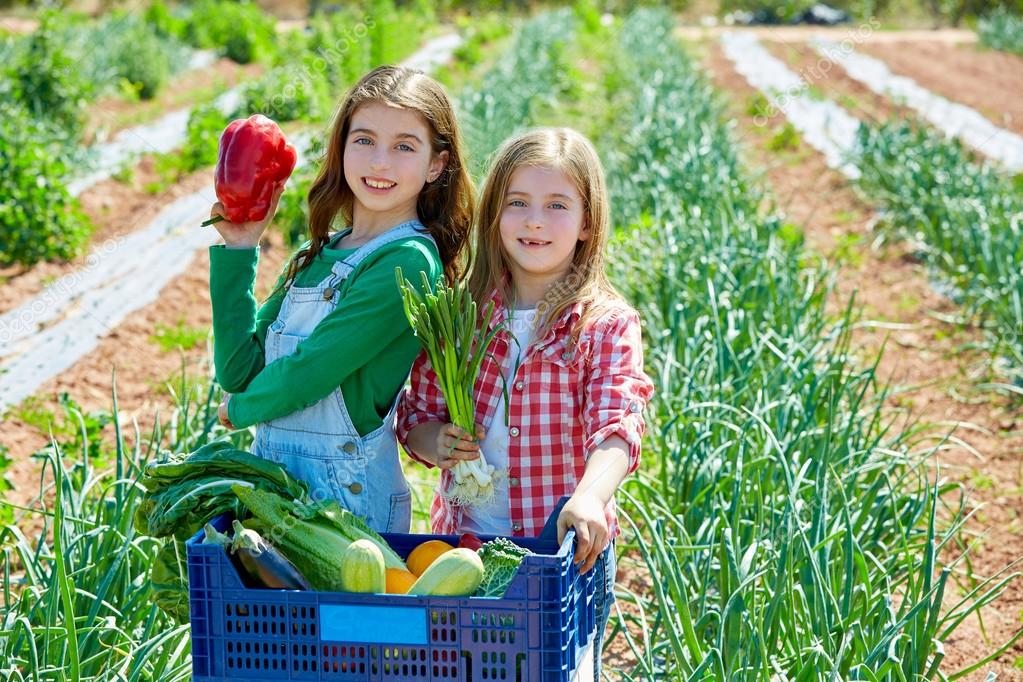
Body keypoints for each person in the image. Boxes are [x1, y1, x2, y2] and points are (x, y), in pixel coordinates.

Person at [396, 127, 654, 678]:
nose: (534, 221)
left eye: (556, 205)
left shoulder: (603, 324)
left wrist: (588, 497)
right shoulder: (462, 313)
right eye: (518, 204)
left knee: (552, 668)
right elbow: (416, 412)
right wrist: (432, 439)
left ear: (587, 223)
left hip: (557, 554)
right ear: (495, 216)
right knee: (464, 666)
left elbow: (617, 423)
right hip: (465, 544)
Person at [206, 65, 474, 533]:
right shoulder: (319, 253)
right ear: (343, 146)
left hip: (350, 504)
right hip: (278, 498)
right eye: (364, 140)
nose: (379, 163)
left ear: (437, 164)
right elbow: (238, 371)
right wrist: (239, 249)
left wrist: (240, 409)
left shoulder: (408, 263)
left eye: (404, 147)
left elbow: (311, 371)